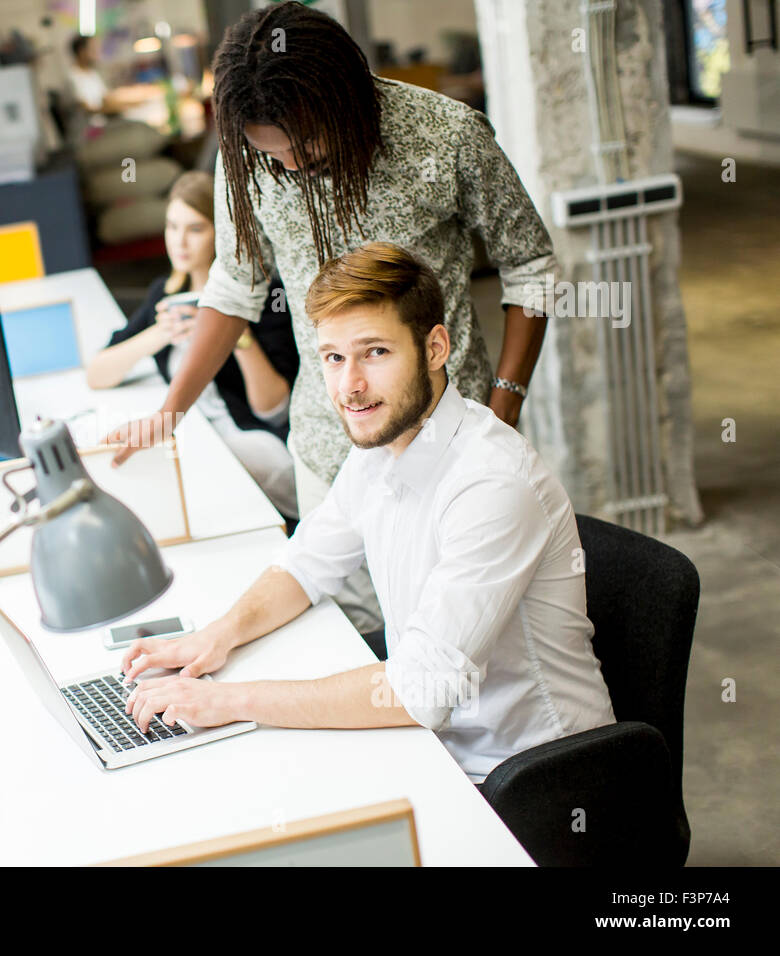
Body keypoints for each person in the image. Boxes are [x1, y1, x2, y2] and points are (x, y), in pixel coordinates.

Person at [104, 2, 557, 633]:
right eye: (273, 155)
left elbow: (529, 263)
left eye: (303, 149)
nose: (288, 167)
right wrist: (170, 411)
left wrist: (505, 403)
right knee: (344, 639)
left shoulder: (446, 136)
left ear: (345, 100)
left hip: (445, 442)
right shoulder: (250, 161)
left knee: (448, 655)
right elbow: (235, 284)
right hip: (326, 444)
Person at [118, 243, 615, 785]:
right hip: (435, 747)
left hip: (532, 778)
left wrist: (229, 701)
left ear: (435, 348)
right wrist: (216, 636)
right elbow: (305, 565)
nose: (349, 385)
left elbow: (421, 690)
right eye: (333, 358)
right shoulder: (381, 448)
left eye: (374, 352)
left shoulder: (491, 483)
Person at [87, 172, 300, 519]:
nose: (179, 242)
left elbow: (273, 410)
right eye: (172, 227)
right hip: (188, 428)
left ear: (224, 233)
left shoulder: (267, 296)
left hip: (247, 440)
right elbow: (97, 374)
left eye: (196, 229)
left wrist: (234, 334)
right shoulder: (166, 294)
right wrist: (159, 333)